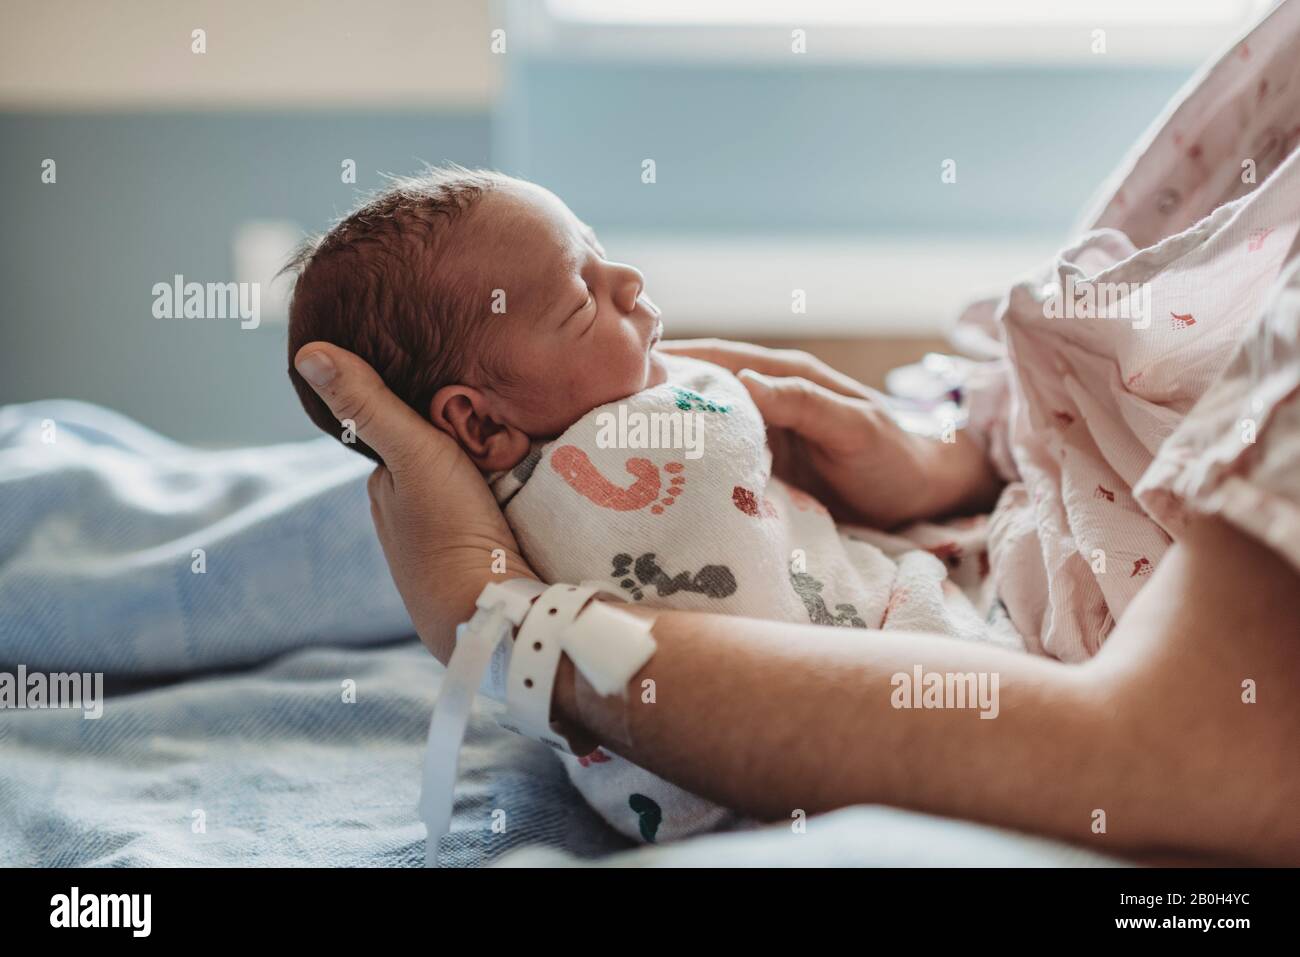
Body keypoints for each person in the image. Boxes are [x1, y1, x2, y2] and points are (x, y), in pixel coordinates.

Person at [293, 336, 1300, 866]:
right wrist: (949, 455)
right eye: (576, 298)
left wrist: (504, 621)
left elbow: (1174, 756)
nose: (634, 290)